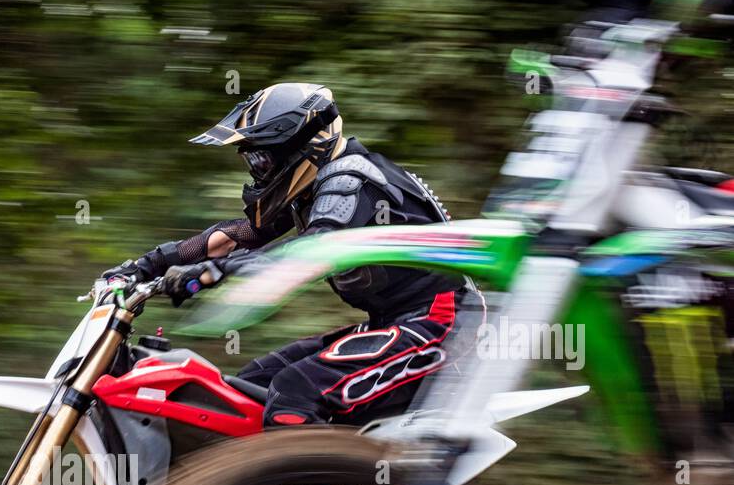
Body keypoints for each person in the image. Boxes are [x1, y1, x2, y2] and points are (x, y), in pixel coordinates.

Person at [103, 83, 476, 428]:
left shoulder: (350, 179)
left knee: (292, 394)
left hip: (441, 326)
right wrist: (142, 268)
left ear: (305, 146)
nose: (257, 171)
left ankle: (319, 481)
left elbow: (310, 252)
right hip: (393, 323)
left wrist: (210, 273)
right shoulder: (316, 186)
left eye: (262, 160)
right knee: (249, 385)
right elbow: (235, 237)